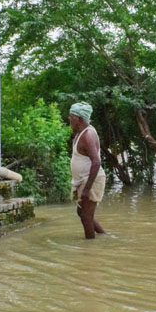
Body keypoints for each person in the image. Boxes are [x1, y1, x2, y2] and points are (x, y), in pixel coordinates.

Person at [69, 102, 107, 239]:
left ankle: (90, 249)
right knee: (82, 213)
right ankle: (104, 236)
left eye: (71, 116)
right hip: (83, 180)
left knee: (86, 216)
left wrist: (86, 189)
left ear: (79, 119)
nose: (69, 119)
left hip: (91, 180)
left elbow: (96, 162)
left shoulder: (88, 135)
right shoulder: (80, 132)